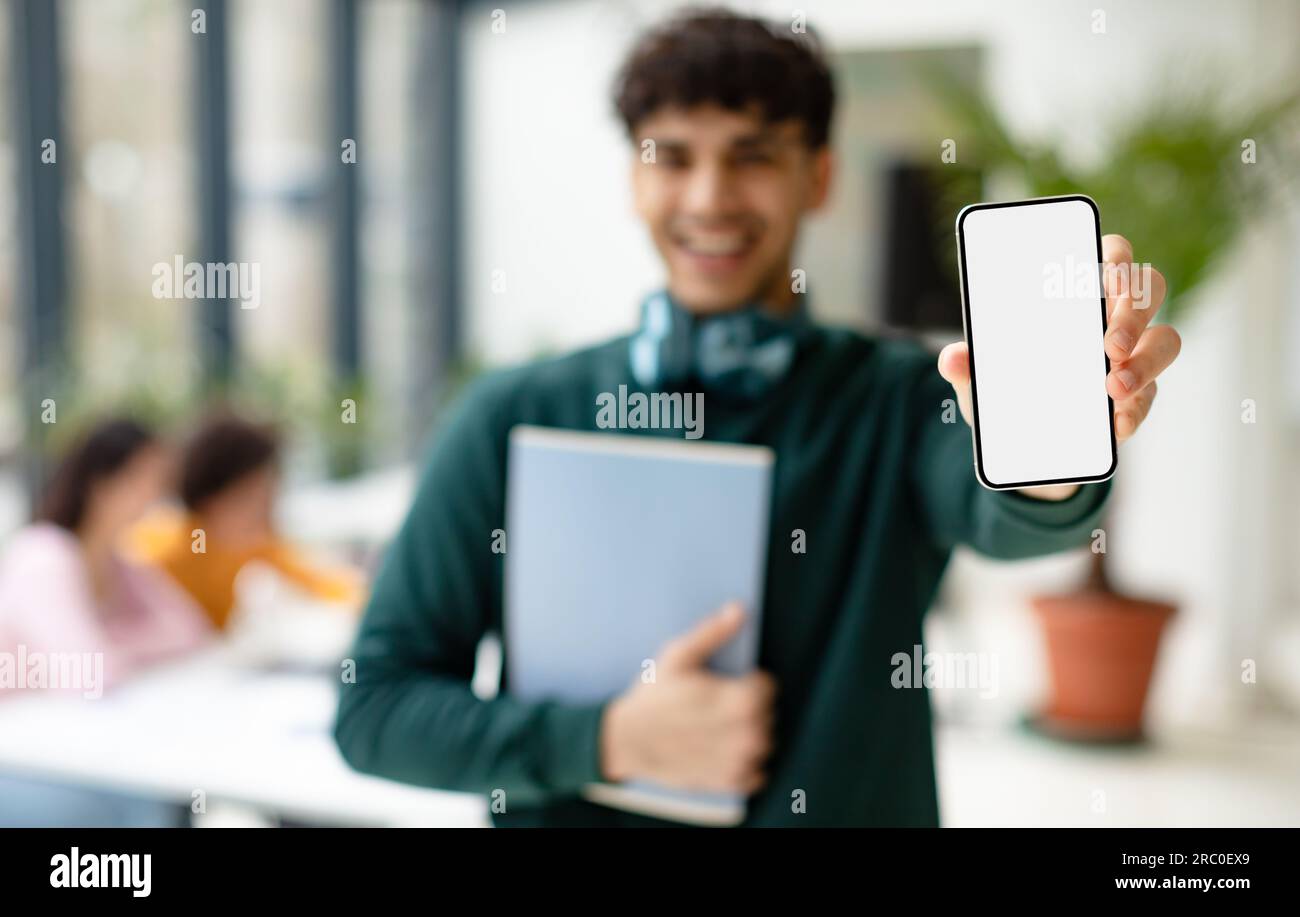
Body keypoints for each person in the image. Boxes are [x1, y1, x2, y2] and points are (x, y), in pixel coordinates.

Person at [333, 9, 1179, 826]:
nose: (710, 197)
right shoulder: (510, 414)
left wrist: (1056, 442)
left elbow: (1016, 517)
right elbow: (374, 709)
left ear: (818, 175)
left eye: (753, 157)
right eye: (673, 158)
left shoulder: (904, 396)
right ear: (633, 177)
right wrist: (606, 738)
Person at [0, 418, 211, 826]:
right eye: (147, 480)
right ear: (102, 482)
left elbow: (190, 628)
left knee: (163, 795)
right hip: (18, 756)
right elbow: (89, 675)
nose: (157, 499)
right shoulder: (43, 554)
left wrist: (110, 643)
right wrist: (111, 650)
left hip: (70, 744)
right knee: (145, 805)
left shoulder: (117, 561)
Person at [127, 413, 364, 631]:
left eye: (270, 495)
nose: (266, 510)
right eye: (255, 497)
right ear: (215, 497)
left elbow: (329, 584)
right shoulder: (159, 552)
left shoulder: (252, 546)